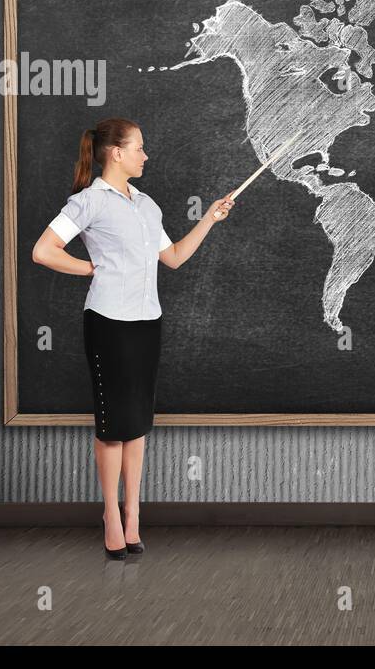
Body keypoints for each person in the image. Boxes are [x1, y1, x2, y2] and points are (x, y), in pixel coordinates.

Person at [31, 117, 236, 559]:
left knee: (138, 423)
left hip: (147, 322)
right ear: (115, 153)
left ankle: (133, 518)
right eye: (139, 147)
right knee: (113, 426)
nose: (146, 155)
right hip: (108, 322)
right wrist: (89, 269)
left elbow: (175, 258)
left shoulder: (146, 205)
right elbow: (43, 251)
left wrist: (210, 219)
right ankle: (109, 517)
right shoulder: (88, 203)